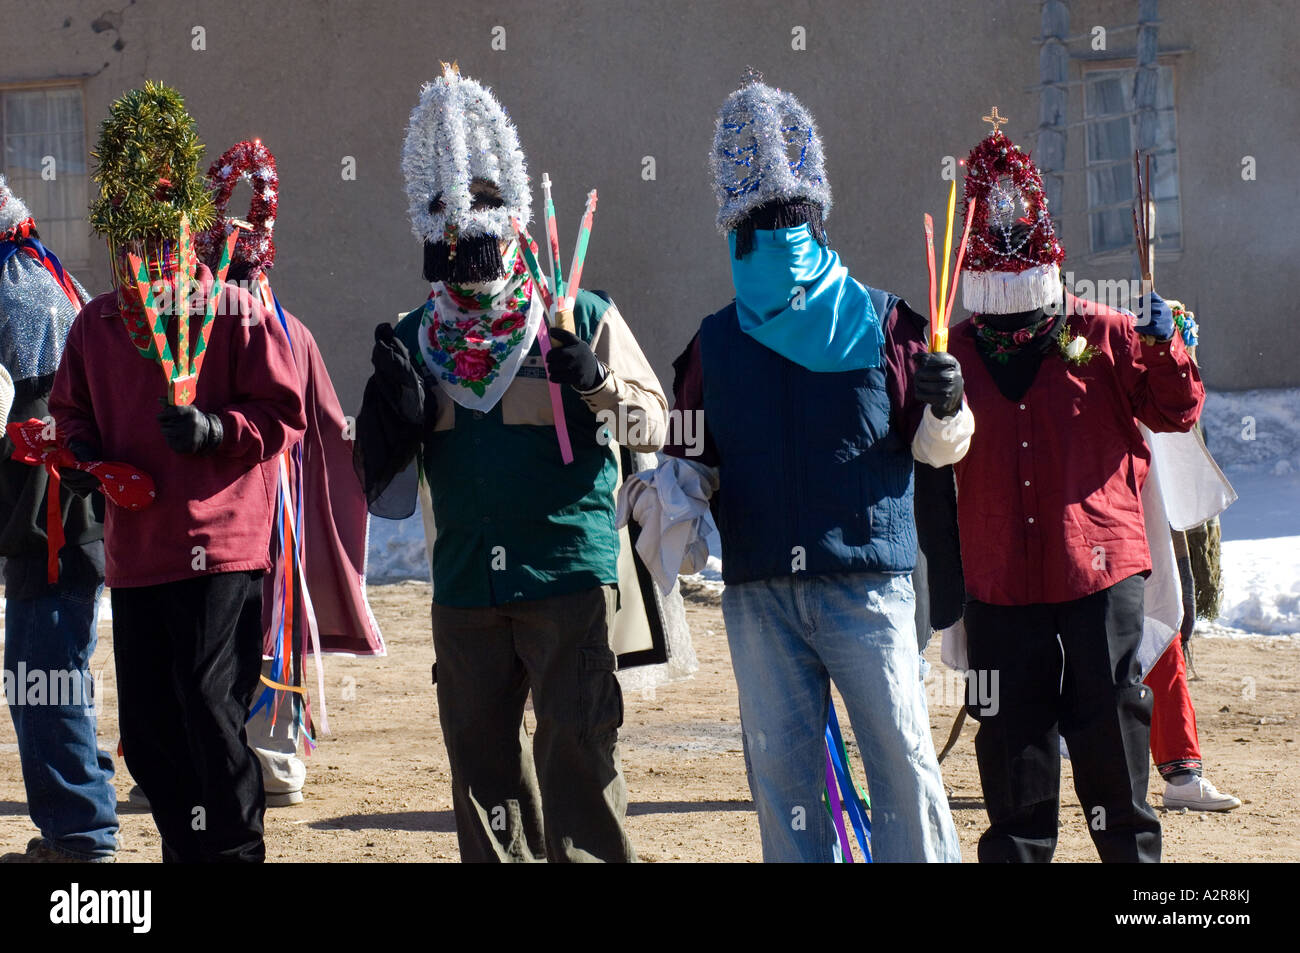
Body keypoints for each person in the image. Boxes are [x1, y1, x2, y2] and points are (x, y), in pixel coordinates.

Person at [647, 77, 967, 862]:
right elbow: (689, 467)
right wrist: (656, 529)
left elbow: (936, 448)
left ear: (818, 221)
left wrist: (948, 403)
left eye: (789, 222)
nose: (775, 239)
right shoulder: (714, 346)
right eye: (761, 226)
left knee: (902, 767)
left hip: (869, 589)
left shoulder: (889, 323)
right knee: (784, 787)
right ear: (734, 236)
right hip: (759, 600)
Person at [354, 64, 667, 862]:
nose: (472, 257)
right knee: (482, 779)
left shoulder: (575, 312)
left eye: (488, 227)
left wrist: (594, 384)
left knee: (580, 767)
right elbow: (372, 476)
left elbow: (654, 423)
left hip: (565, 576)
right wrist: (393, 419)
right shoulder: (415, 336)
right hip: (464, 588)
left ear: (515, 225)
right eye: (454, 236)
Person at [50, 82, 305, 863]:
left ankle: (232, 852)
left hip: (220, 546)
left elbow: (283, 416)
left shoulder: (231, 308)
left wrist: (216, 428)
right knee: (154, 734)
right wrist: (88, 464)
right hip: (137, 557)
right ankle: (185, 849)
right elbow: (72, 418)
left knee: (207, 707)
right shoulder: (97, 323)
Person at [945, 116, 1203, 862]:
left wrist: (1168, 345)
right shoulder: (952, 351)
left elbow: (1175, 410)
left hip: (1099, 567)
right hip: (995, 575)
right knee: (1011, 731)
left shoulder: (1111, 330)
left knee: (1110, 720)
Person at [197, 139, 386, 808]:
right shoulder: (290, 329)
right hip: (274, 511)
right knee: (263, 624)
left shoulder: (187, 327)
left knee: (218, 627)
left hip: (228, 511)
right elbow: (333, 425)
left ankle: (212, 760)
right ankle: (273, 763)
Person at [0, 175, 118, 863]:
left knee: (47, 677)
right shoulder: (28, 273)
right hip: (45, 517)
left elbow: (40, 414)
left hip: (54, 517)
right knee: (40, 676)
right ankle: (75, 825)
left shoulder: (25, 288)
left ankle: (82, 835)